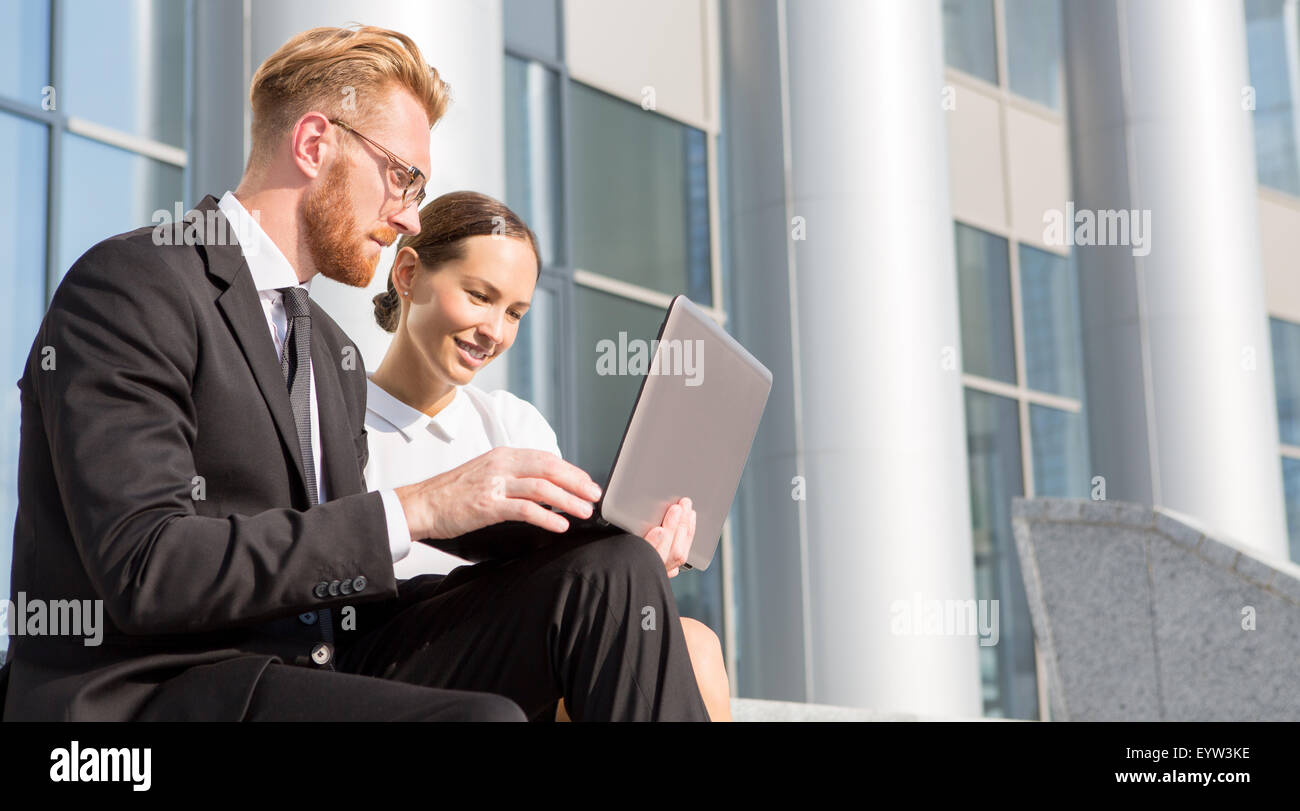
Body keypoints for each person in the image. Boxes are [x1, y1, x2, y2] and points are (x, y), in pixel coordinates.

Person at [2, 24, 709, 722]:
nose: (408, 217)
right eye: (403, 178)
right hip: (158, 696)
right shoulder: (135, 283)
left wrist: (580, 533)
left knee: (612, 577)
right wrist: (419, 506)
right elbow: (146, 566)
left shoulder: (331, 354)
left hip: (315, 666)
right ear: (315, 144)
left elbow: (333, 590)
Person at [363, 190, 732, 721]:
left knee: (693, 641)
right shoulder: (335, 416)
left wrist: (640, 560)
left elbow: (570, 582)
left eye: (514, 312)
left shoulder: (513, 424)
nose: (494, 331)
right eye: (478, 296)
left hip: (523, 669)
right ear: (408, 273)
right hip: (398, 669)